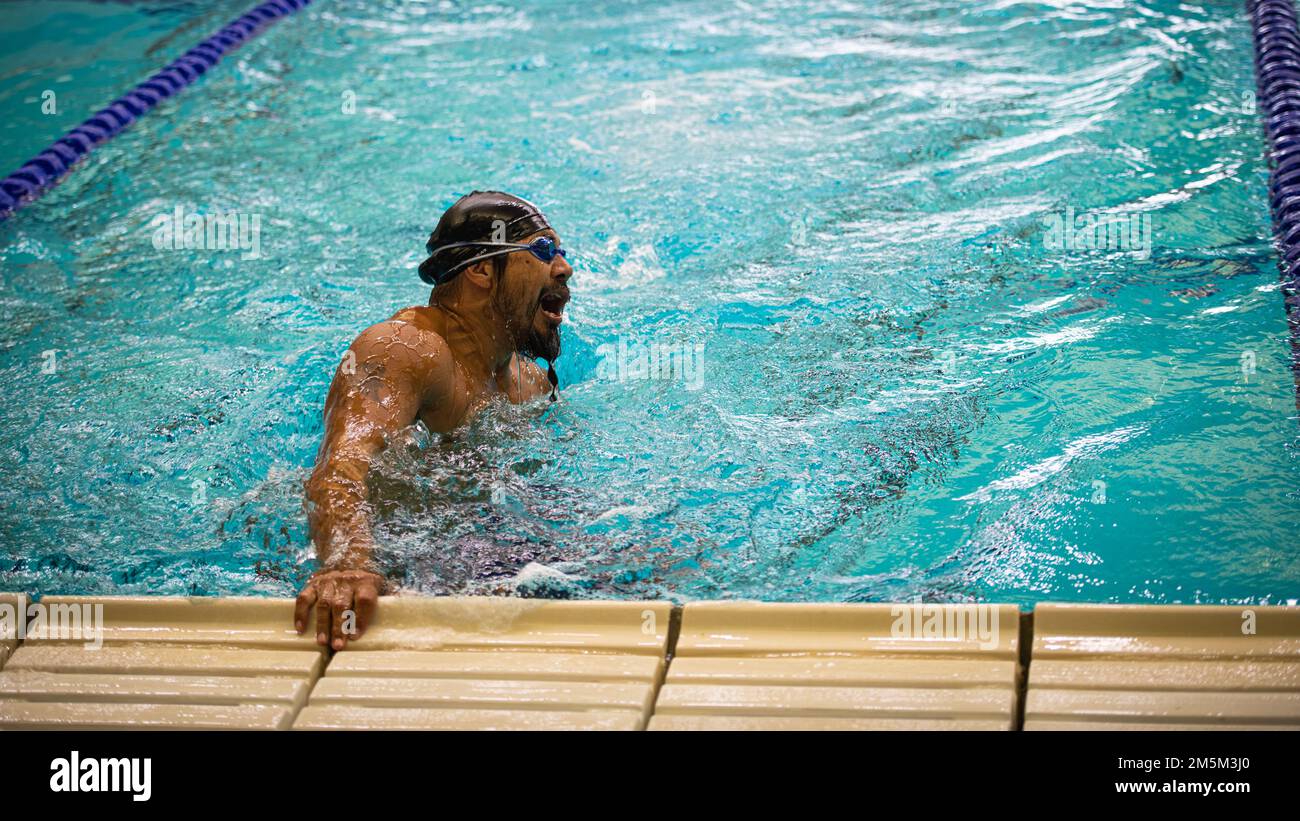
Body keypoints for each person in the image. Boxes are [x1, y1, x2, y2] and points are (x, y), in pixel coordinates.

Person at [293, 191, 573, 649]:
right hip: (394, 557)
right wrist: (347, 563)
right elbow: (343, 463)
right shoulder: (406, 348)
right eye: (543, 250)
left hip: (477, 546)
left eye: (562, 253)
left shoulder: (530, 384)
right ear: (482, 269)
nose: (563, 268)